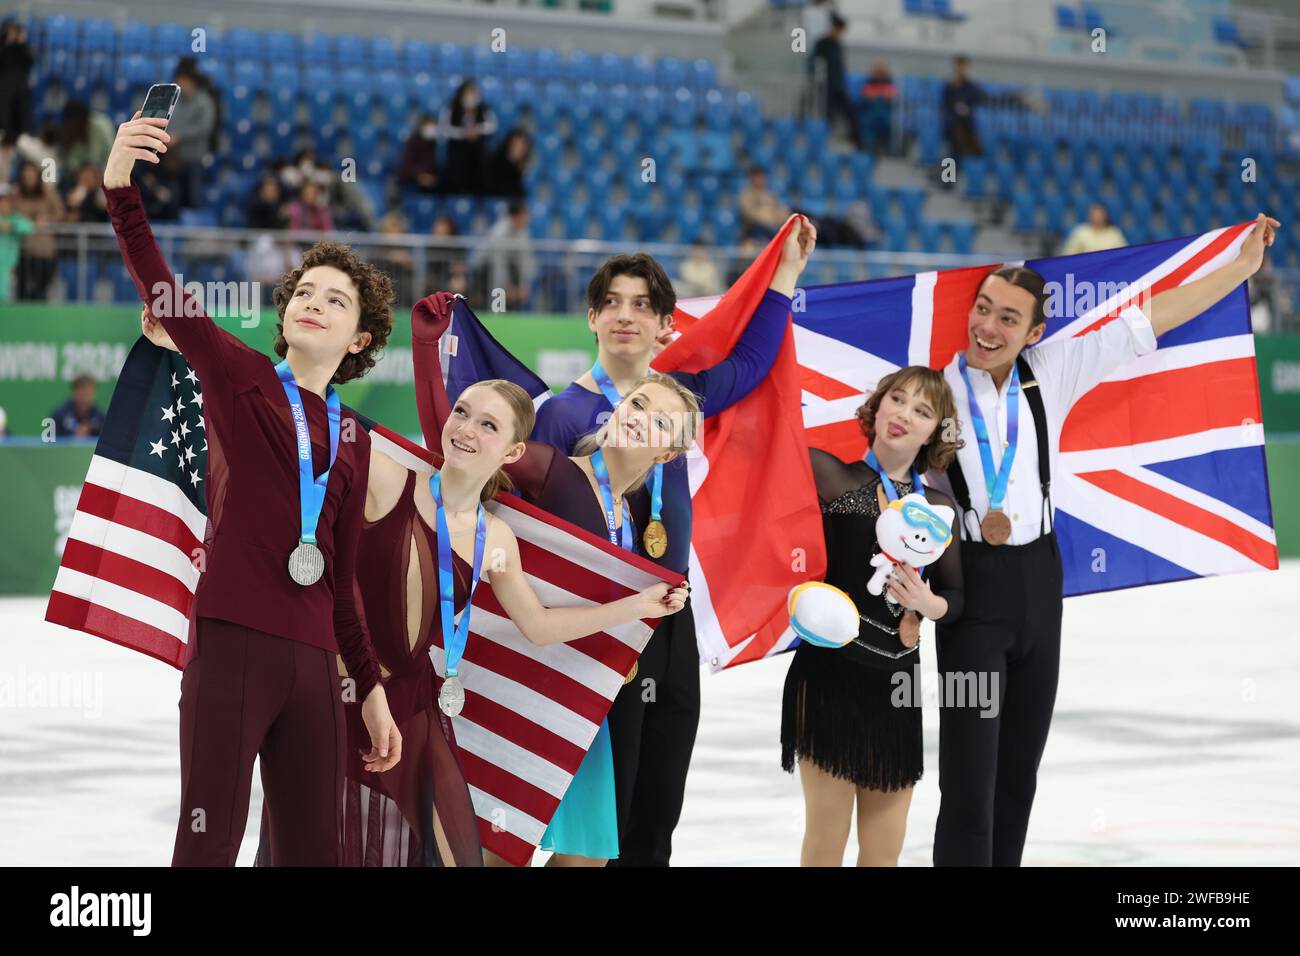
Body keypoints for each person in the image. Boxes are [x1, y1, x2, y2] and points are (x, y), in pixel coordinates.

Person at [930, 215, 1279, 866]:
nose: (988, 326)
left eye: (1008, 318)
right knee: (969, 783)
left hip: (1040, 585)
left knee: (1018, 780)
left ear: (1034, 333)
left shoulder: (1052, 369)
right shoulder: (933, 391)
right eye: (983, 309)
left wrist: (1239, 267)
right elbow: (884, 472)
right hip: (972, 594)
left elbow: (1152, 317)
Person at [105, 110, 401, 866]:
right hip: (232, 640)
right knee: (207, 843)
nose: (314, 301)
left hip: (311, 664)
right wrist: (119, 186)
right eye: (306, 289)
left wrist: (367, 685)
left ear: (360, 339)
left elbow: (340, 582)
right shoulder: (240, 380)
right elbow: (161, 286)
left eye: (337, 300)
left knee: (314, 853)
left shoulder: (355, 438)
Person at [529, 216, 816, 865]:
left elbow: (749, 363)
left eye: (645, 305)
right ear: (592, 319)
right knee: (602, 818)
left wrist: (788, 271)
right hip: (600, 626)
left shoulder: (679, 401)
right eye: (613, 304)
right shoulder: (562, 414)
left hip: (670, 624)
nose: (626, 316)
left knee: (660, 807)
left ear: (667, 326)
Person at [410, 308, 701, 866]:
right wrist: (428, 350)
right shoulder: (548, 469)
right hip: (519, 693)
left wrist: (654, 603)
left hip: (586, 707)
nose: (640, 418)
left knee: (585, 858)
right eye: (638, 403)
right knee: (498, 856)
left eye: (659, 422)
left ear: (668, 454)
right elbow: (455, 453)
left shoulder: (639, 516)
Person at [782, 367, 963, 866]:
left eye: (922, 411)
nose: (904, 414)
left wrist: (929, 605)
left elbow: (956, 598)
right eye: (897, 400)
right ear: (877, 407)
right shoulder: (831, 476)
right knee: (825, 841)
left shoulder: (938, 509)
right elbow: (764, 450)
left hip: (896, 687)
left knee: (884, 854)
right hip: (829, 678)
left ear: (935, 432)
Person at [164, 58, 216, 210]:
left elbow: (205, 126)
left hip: (194, 160)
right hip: (175, 160)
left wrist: (179, 136)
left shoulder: (204, 101)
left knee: (194, 200)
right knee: (174, 200)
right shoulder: (175, 101)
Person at [469, 200, 535, 309]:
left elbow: (525, 259)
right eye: (524, 216)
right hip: (483, 269)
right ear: (515, 216)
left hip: (505, 269)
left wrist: (523, 285)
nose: (527, 220)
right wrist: (505, 290)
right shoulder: (499, 232)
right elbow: (499, 266)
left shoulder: (523, 232)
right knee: (492, 302)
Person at [13, 160, 64, 300]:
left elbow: (60, 213)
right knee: (22, 291)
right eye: (26, 176)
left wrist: (47, 218)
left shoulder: (48, 192)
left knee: (40, 291)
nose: (29, 179)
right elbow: (9, 214)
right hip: (22, 249)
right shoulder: (16, 193)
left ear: (37, 176)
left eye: (32, 176)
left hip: (45, 250)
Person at [810, 15, 862, 149]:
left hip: (839, 87)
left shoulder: (838, 45)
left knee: (851, 113)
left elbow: (840, 68)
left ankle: (857, 143)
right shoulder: (822, 43)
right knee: (827, 116)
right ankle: (822, 144)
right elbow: (814, 63)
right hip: (826, 87)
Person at [438, 80, 496, 196]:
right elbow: (443, 129)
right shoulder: (451, 108)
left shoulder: (483, 109)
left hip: (476, 155)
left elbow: (492, 126)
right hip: (457, 154)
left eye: (473, 92)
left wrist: (477, 130)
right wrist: (463, 133)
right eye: (468, 92)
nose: (470, 96)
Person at [0, 18, 33, 171]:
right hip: (5, 86)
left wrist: (22, 43)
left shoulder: (22, 47)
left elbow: (30, 61)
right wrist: (8, 43)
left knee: (22, 114)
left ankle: (21, 139)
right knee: (6, 116)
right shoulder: (3, 46)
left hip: (21, 87)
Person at [55, 101, 114, 182]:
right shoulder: (70, 132)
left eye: (75, 124)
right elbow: (70, 164)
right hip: (80, 178)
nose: (73, 128)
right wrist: (81, 173)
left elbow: (111, 156)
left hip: (105, 175)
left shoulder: (100, 125)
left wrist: (98, 172)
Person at [941, 56, 983, 159]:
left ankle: (969, 160)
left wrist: (966, 109)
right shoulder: (949, 86)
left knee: (970, 136)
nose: (961, 70)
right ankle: (957, 162)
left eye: (964, 68)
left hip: (967, 121)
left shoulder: (972, 86)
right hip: (953, 120)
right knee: (957, 134)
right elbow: (946, 103)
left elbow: (975, 100)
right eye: (959, 67)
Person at [0, 185, 34, 303]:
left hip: (9, 266)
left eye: (6, 201)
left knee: (5, 297)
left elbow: (29, 227)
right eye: (1, 201)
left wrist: (12, 226)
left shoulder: (15, 218)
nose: (3, 204)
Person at [738, 167, 791, 241]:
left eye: (762, 177)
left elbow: (779, 209)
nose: (760, 180)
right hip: (755, 229)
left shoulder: (769, 194)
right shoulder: (746, 194)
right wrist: (769, 221)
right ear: (752, 178)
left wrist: (783, 218)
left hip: (773, 227)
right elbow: (749, 213)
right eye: (757, 177)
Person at [47, 372, 104, 438]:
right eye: (82, 394)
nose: (85, 399)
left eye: (88, 394)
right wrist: (73, 435)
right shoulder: (59, 415)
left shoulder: (101, 417)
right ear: (74, 392)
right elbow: (49, 442)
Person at [858, 62, 897, 155]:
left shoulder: (890, 84)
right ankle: (870, 150)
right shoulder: (868, 84)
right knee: (867, 127)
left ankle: (887, 150)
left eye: (881, 72)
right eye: (877, 72)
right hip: (871, 117)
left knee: (889, 123)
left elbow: (892, 98)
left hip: (886, 118)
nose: (879, 75)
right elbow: (864, 100)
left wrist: (878, 95)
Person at [1061, 202, 1127, 256]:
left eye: (1099, 214)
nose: (1097, 217)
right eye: (1094, 214)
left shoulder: (1114, 233)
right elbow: (1068, 254)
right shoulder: (1081, 231)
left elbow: (1124, 254)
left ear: (1105, 215)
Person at [484, 128, 533, 199]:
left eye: (522, 145)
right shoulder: (494, 162)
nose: (518, 148)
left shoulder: (526, 168)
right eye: (516, 144)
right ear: (509, 143)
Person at [397, 113, 440, 193]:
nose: (432, 129)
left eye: (433, 126)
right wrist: (420, 176)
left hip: (430, 179)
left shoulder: (433, 142)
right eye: (429, 126)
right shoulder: (413, 141)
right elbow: (407, 166)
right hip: (412, 180)